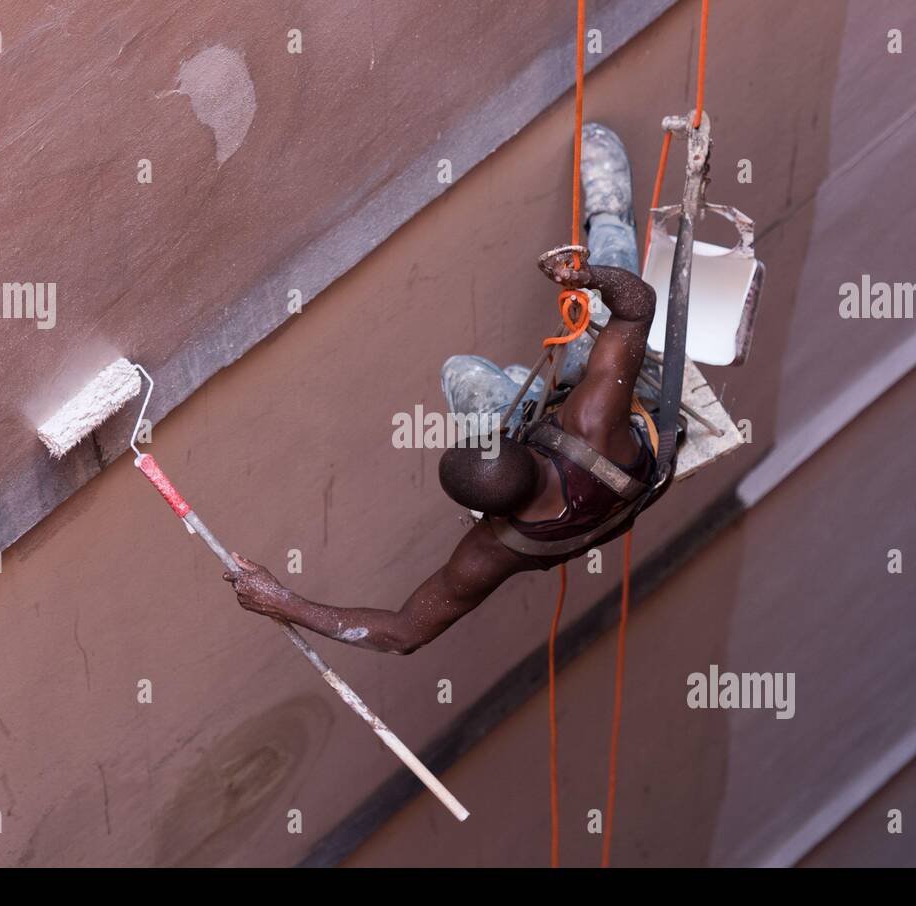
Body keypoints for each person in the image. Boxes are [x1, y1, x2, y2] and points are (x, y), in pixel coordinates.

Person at [226, 124, 680, 654]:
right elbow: (637, 305)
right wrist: (589, 279)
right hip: (613, 449)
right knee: (599, 316)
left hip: (584, 446)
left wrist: (279, 600)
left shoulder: (492, 550)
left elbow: (403, 632)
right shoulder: (591, 423)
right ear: (519, 445)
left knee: (462, 373)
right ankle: (606, 226)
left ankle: (603, 219)